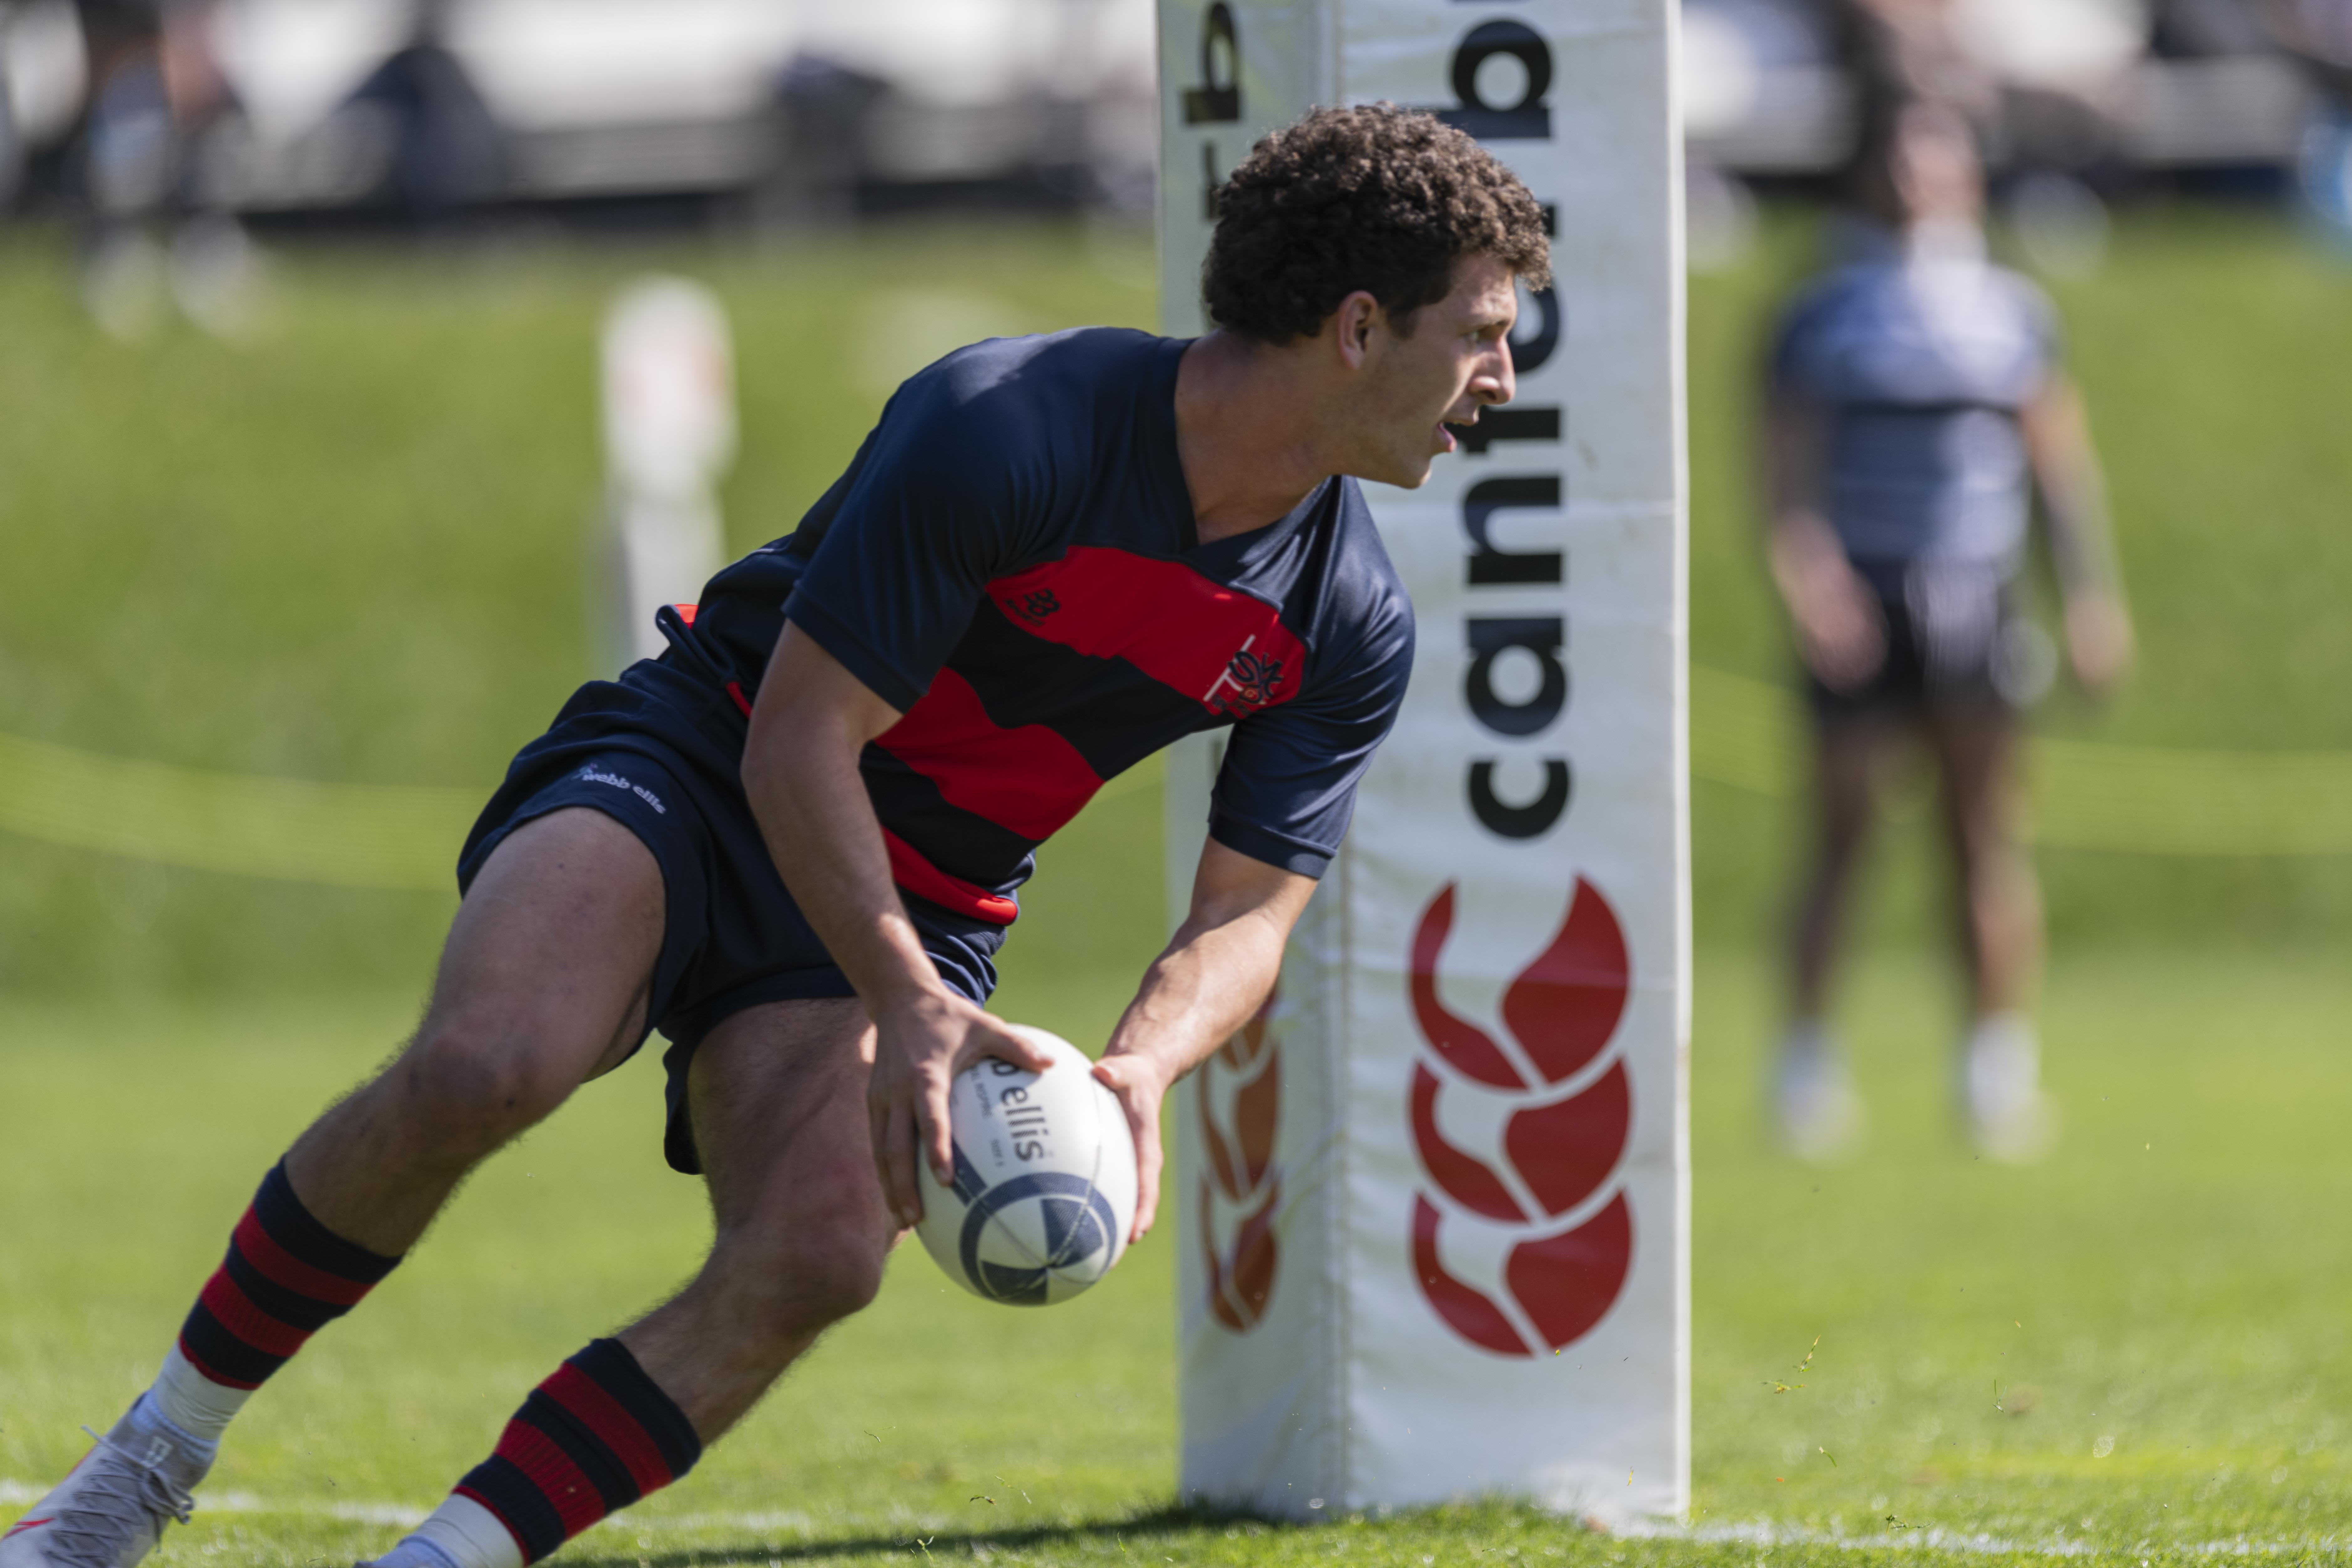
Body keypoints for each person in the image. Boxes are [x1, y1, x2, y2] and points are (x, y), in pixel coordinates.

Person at [0, 104, 1548, 1568]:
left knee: (820, 1250)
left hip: (922, 894)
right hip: (702, 770)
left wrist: (1140, 1065)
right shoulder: (1010, 425)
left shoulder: (1346, 623)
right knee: (490, 1060)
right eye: (1482, 332)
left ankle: (445, 1555)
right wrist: (902, 994)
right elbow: (802, 737)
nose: (1501, 376)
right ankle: (140, 1469)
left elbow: (1247, 913)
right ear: (1358, 328)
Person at [1761, 95, 2132, 1165]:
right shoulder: (1821, 309)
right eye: (1903, 157)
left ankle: (1995, 1072)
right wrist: (1810, 579)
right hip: (1863, 594)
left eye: (1941, 156)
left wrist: (2093, 602)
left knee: (1982, 838)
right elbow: (1785, 473)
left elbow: (2056, 466)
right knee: (1840, 836)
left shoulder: (2012, 309)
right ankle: (1806, 1066)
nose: (1923, 176)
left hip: (1977, 587)